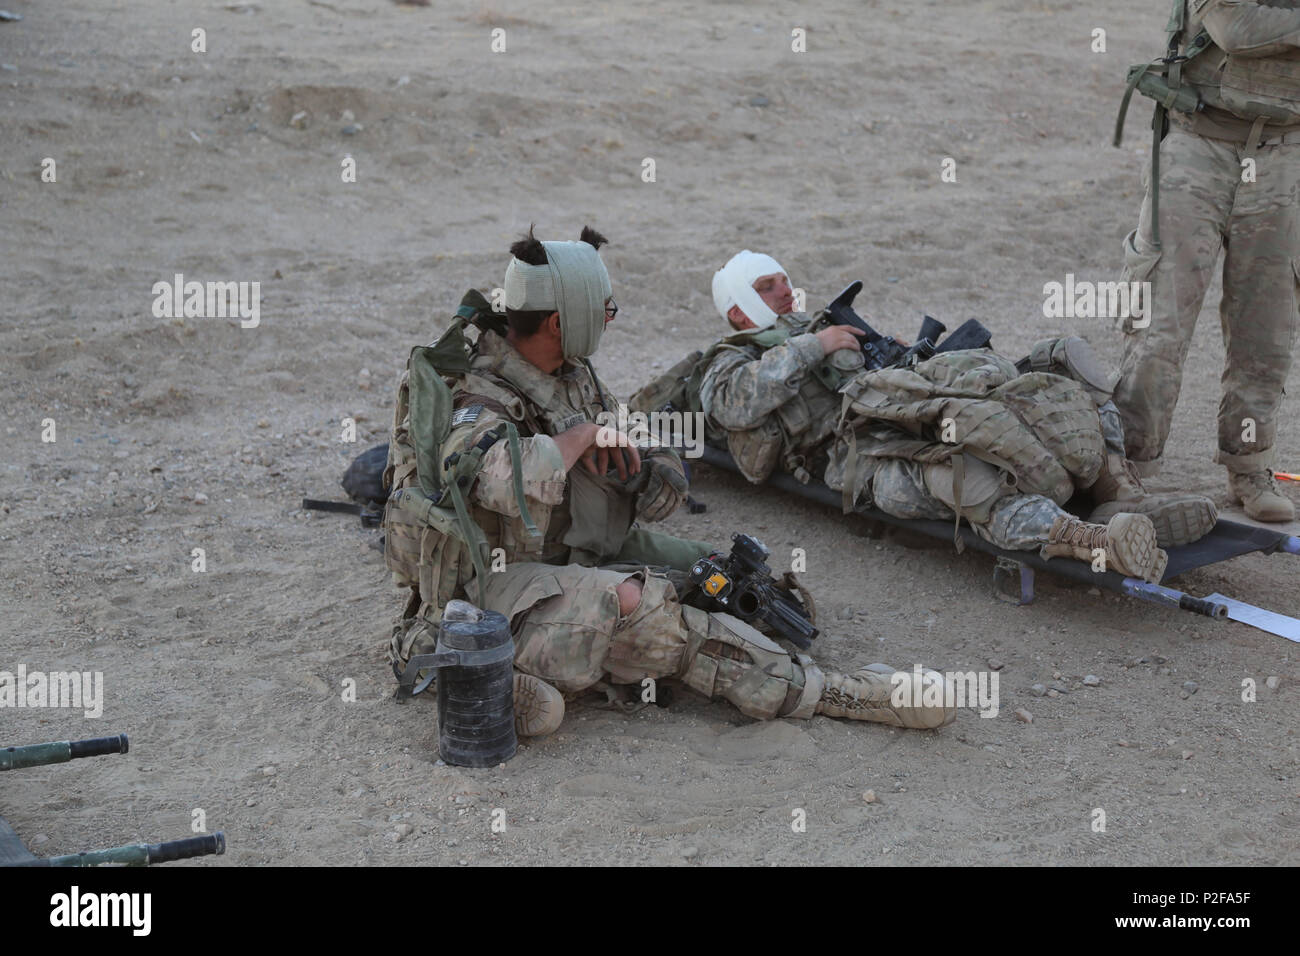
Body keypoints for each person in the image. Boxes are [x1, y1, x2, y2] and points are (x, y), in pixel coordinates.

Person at [382, 227, 957, 738]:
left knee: (717, 578)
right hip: (479, 598)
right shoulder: (478, 390)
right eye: (604, 310)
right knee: (640, 605)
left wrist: (640, 470)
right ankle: (828, 694)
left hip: (565, 555)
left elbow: (650, 454)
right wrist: (582, 439)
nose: (609, 319)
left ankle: (526, 679)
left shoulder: (569, 374)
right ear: (560, 321)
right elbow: (494, 477)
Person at [681, 251, 1220, 583]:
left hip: (918, 399)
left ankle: (1118, 494)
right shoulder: (731, 358)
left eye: (781, 279)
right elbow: (732, 404)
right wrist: (812, 348)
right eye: (765, 287)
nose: (783, 289)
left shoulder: (822, 324)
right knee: (957, 475)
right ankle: (1088, 540)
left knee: (1054, 379)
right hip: (856, 452)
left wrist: (894, 350)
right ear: (736, 310)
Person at [1112, 0, 1300, 522]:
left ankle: (1250, 464)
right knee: (1160, 320)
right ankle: (1125, 464)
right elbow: (1237, 28)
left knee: (1267, 325)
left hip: (1284, 149)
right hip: (1199, 140)